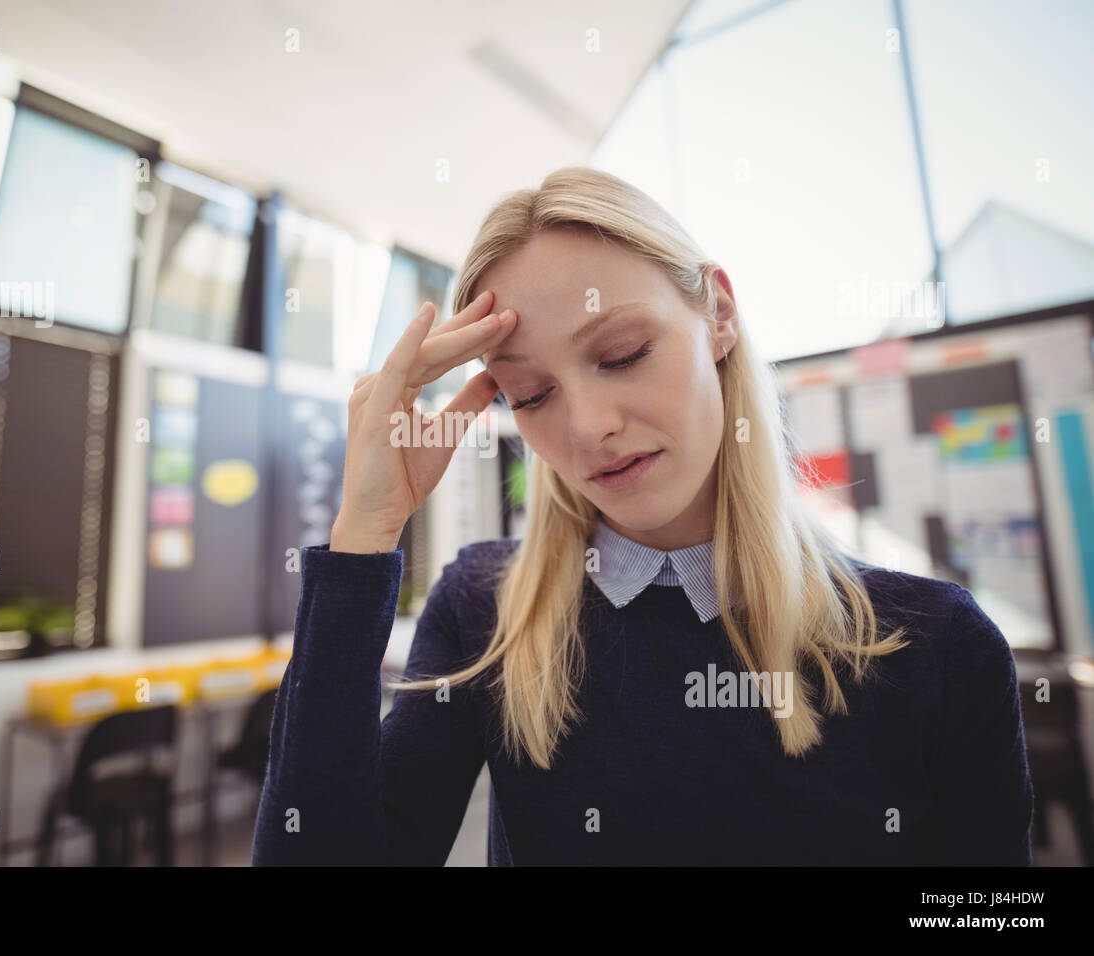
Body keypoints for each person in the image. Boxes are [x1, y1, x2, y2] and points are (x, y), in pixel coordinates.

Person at [251, 166, 1034, 866]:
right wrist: (364, 535)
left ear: (718, 313)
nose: (588, 428)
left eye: (622, 353)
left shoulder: (935, 647)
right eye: (531, 395)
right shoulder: (486, 609)